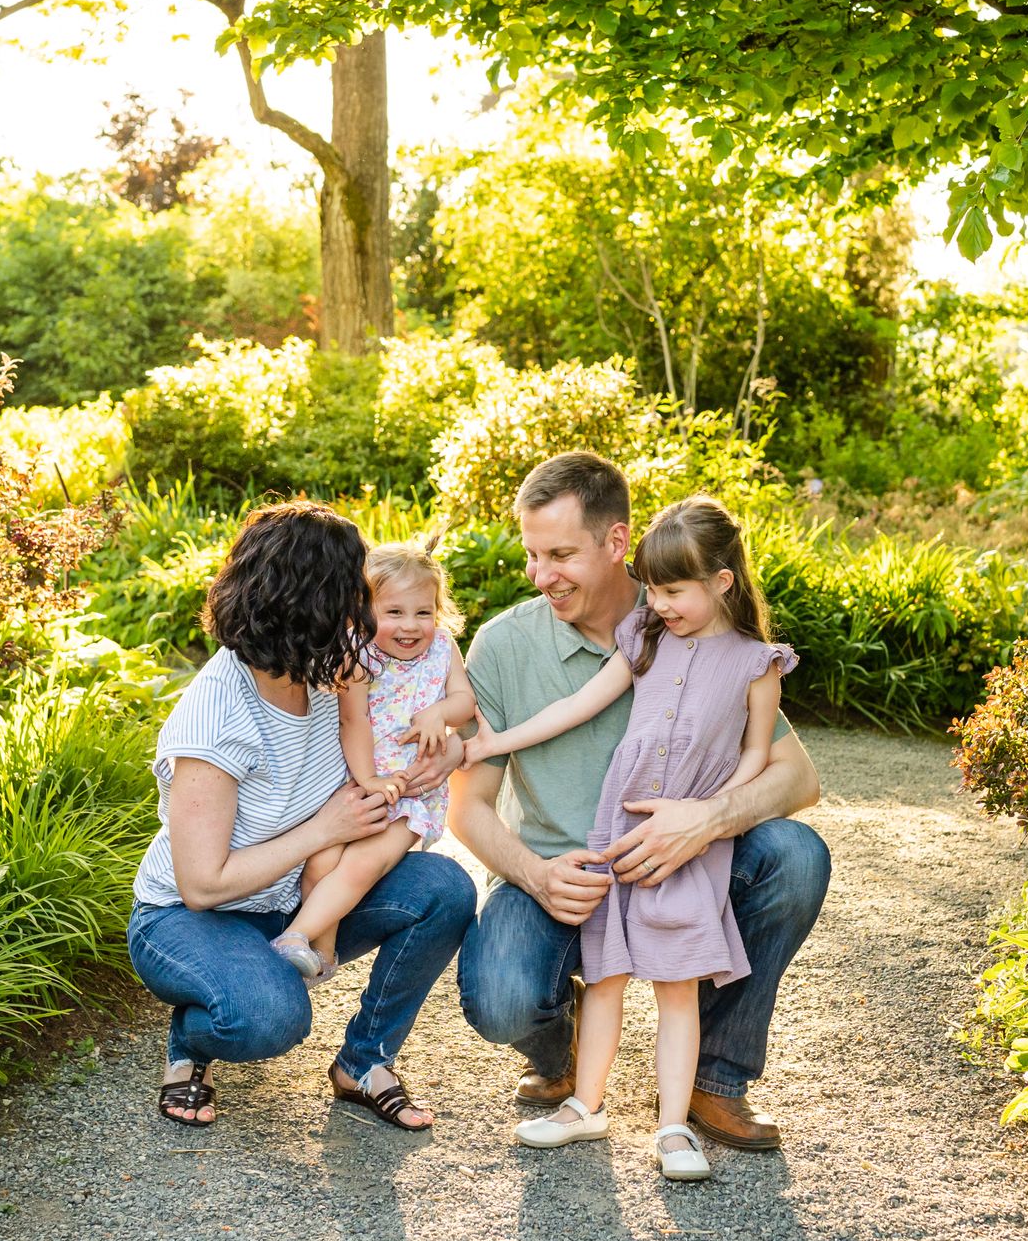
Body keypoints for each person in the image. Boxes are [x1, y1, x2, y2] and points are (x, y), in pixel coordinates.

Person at [449, 452, 830, 1153]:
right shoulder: (503, 644)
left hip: (683, 859)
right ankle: (560, 1057)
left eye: (560, 553)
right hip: (563, 875)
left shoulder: (701, 632)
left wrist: (708, 819)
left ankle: (713, 1080)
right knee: (500, 997)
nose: (540, 574)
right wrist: (537, 875)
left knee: (797, 855)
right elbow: (466, 808)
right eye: (532, 554)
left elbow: (797, 777)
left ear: (616, 542)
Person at [126, 501, 475, 1132]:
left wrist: (444, 748)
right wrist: (325, 830)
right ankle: (192, 1038)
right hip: (191, 917)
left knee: (446, 891)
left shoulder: (329, 669)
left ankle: (363, 1061)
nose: (365, 613)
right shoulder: (218, 714)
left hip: (294, 894)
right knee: (270, 1018)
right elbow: (201, 886)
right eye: (354, 594)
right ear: (315, 602)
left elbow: (415, 716)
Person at [271, 537, 478, 984]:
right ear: (363, 613)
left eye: (423, 611)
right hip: (359, 782)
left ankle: (293, 936)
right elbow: (354, 723)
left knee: (365, 864)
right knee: (322, 862)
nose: (411, 626)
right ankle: (322, 952)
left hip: (412, 795)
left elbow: (464, 702)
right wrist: (368, 778)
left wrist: (439, 712)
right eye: (394, 613)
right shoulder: (356, 654)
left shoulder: (443, 648)